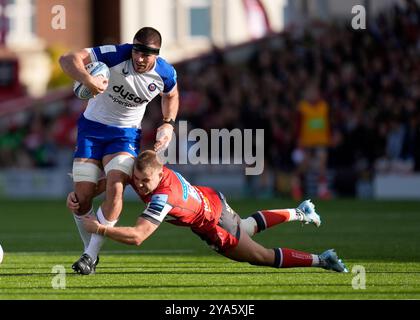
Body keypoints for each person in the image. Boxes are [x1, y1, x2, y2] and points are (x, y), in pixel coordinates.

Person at [67, 150, 348, 274]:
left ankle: (321, 260)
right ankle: (300, 212)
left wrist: (101, 228)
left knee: (259, 256)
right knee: (248, 226)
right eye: (137, 179)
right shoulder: (144, 171)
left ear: (159, 174)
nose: (139, 184)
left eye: (144, 182)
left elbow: (139, 236)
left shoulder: (164, 196)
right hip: (213, 198)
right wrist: (82, 196)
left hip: (214, 224)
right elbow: (112, 182)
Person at [59, 27, 179, 274]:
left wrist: (168, 122)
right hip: (91, 130)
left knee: (115, 187)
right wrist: (87, 79)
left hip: (125, 135)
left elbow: (172, 95)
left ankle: (89, 256)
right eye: (137, 52)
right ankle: (89, 251)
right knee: (81, 199)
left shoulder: (165, 73)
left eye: (147, 55)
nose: (140, 58)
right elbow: (67, 59)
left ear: (157, 54)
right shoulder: (115, 54)